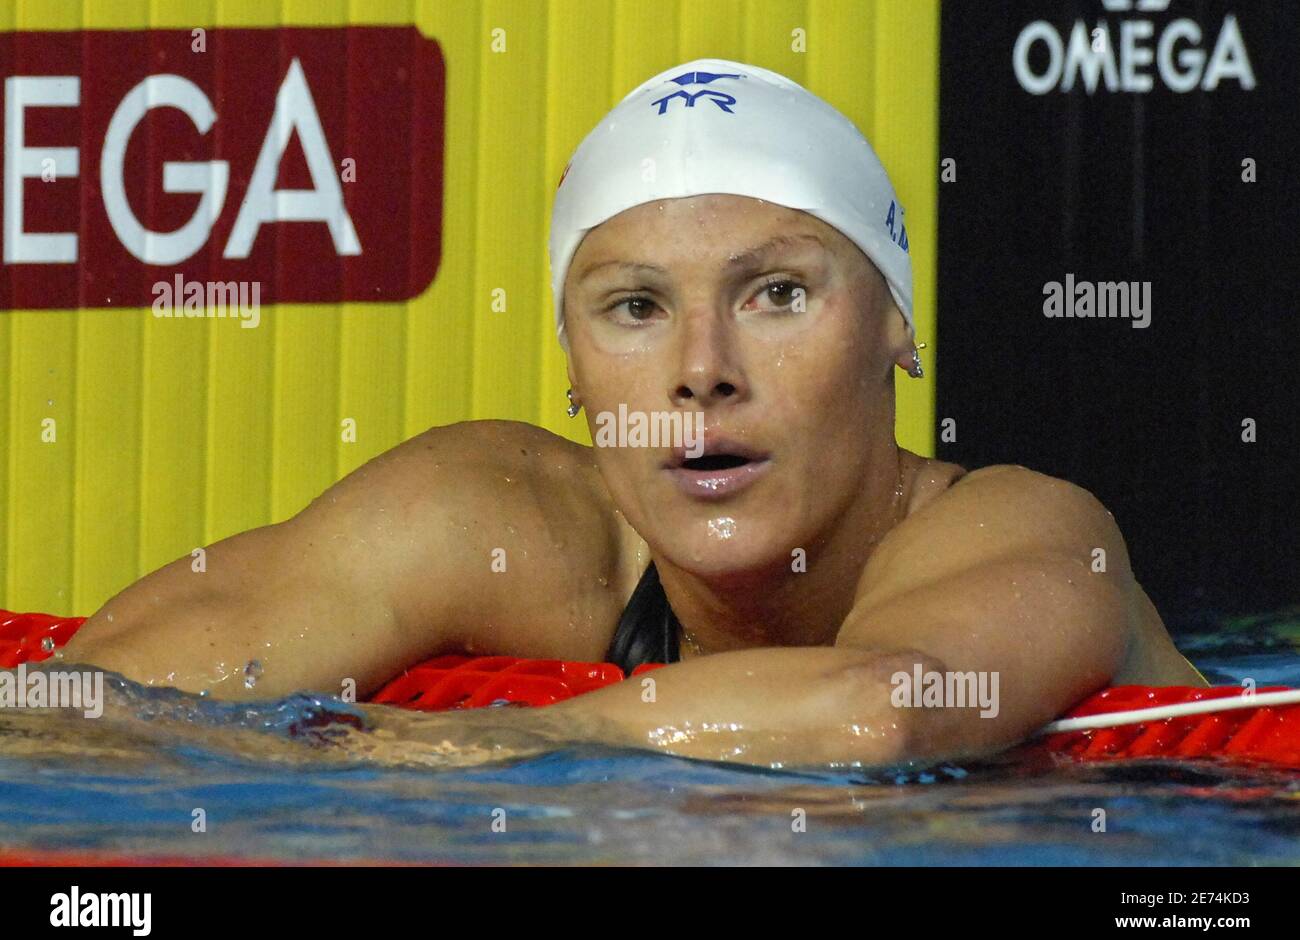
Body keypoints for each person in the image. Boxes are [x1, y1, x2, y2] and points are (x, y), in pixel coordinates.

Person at [62, 58, 1204, 768]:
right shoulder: (509, 519)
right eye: (636, 307)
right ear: (571, 364)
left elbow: (883, 712)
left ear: (897, 329)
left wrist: (495, 745)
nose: (700, 369)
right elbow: (87, 702)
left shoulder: (1027, 530)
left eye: (777, 293)